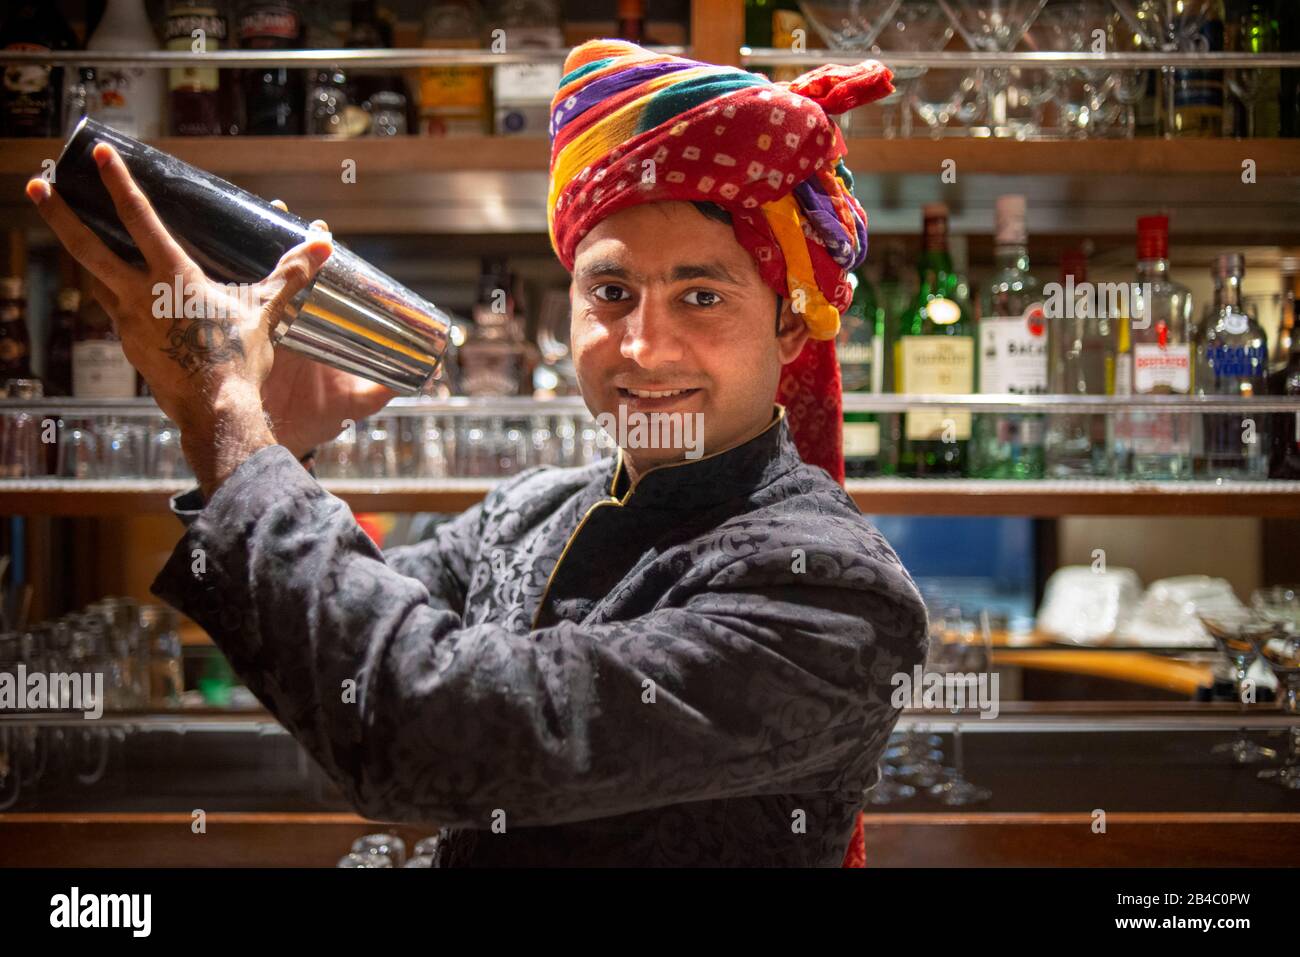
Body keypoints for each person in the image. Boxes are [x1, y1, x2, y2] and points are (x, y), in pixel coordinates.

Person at [25, 39, 927, 867]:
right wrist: (280, 441)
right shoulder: (530, 510)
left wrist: (226, 420)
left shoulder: (832, 594)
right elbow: (335, 652)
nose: (643, 348)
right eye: (611, 291)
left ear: (790, 321)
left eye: (701, 296)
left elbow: (425, 727)